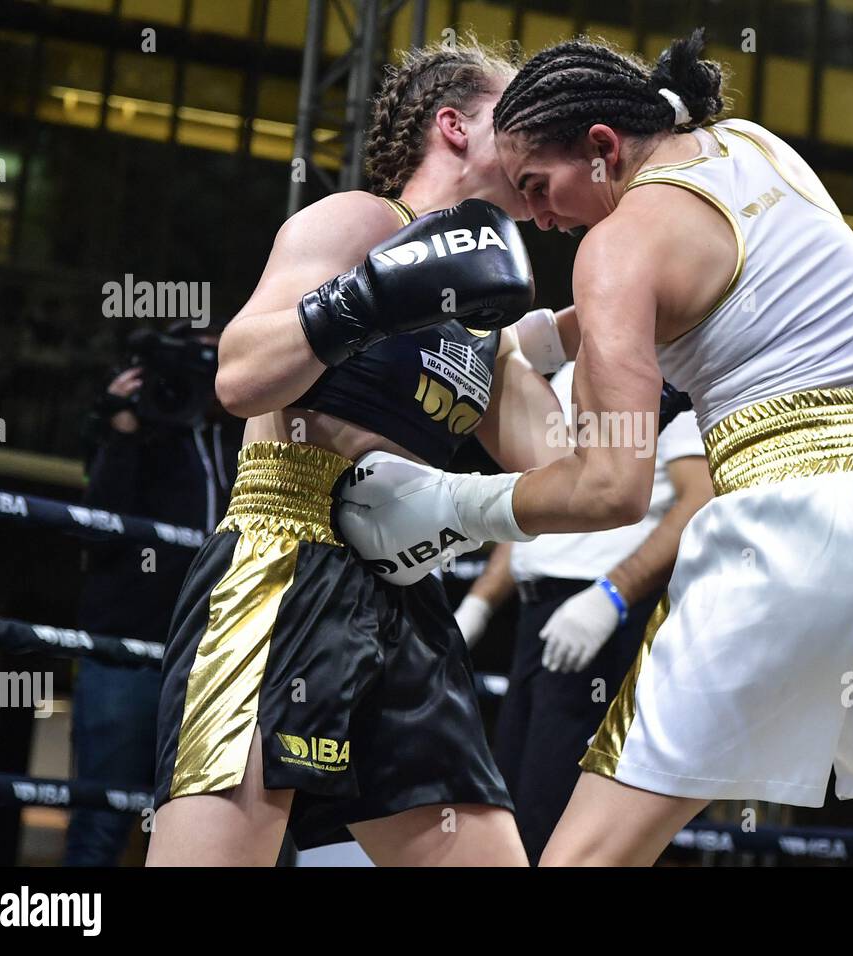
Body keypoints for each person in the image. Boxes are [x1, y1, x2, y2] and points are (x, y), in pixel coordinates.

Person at [337, 29, 853, 867]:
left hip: (790, 525)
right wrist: (532, 341)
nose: (537, 216)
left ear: (603, 149)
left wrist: (445, 506)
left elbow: (612, 488)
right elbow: (710, 288)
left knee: (584, 859)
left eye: (539, 186)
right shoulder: (756, 146)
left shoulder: (615, 251)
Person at [147, 40, 569, 867]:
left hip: (406, 601)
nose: (537, 141)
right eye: (515, 119)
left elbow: (560, 482)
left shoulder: (492, 320)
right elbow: (239, 376)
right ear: (453, 127)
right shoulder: (360, 222)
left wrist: (622, 335)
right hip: (284, 568)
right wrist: (366, 298)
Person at [454, 361, 712, 862]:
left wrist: (611, 595)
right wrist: (477, 606)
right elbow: (532, 510)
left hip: (607, 618)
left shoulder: (669, 375)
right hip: (534, 619)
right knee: (511, 810)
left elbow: (699, 500)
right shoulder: (558, 377)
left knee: (562, 820)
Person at [66, 326, 242, 866]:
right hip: (129, 650)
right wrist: (123, 427)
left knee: (204, 829)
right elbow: (96, 533)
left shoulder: (246, 437)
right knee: (100, 825)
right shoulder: (138, 429)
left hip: (217, 660)